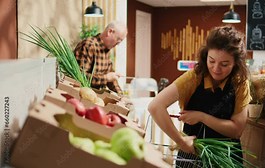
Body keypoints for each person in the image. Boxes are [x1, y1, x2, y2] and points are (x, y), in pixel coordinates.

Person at [148, 25, 251, 167]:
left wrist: (202, 117)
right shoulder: (194, 77)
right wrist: (180, 141)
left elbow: (236, 130)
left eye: (224, 64)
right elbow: (155, 106)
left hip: (226, 157)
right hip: (191, 154)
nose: (216, 69)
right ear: (205, 55)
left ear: (236, 64)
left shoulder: (240, 83)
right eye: (212, 61)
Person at [74, 21, 127, 94]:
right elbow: (80, 77)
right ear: (110, 32)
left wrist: (121, 95)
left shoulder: (106, 50)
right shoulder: (89, 45)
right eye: (118, 39)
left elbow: (111, 80)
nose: (118, 44)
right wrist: (106, 78)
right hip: (82, 95)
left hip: (96, 96)